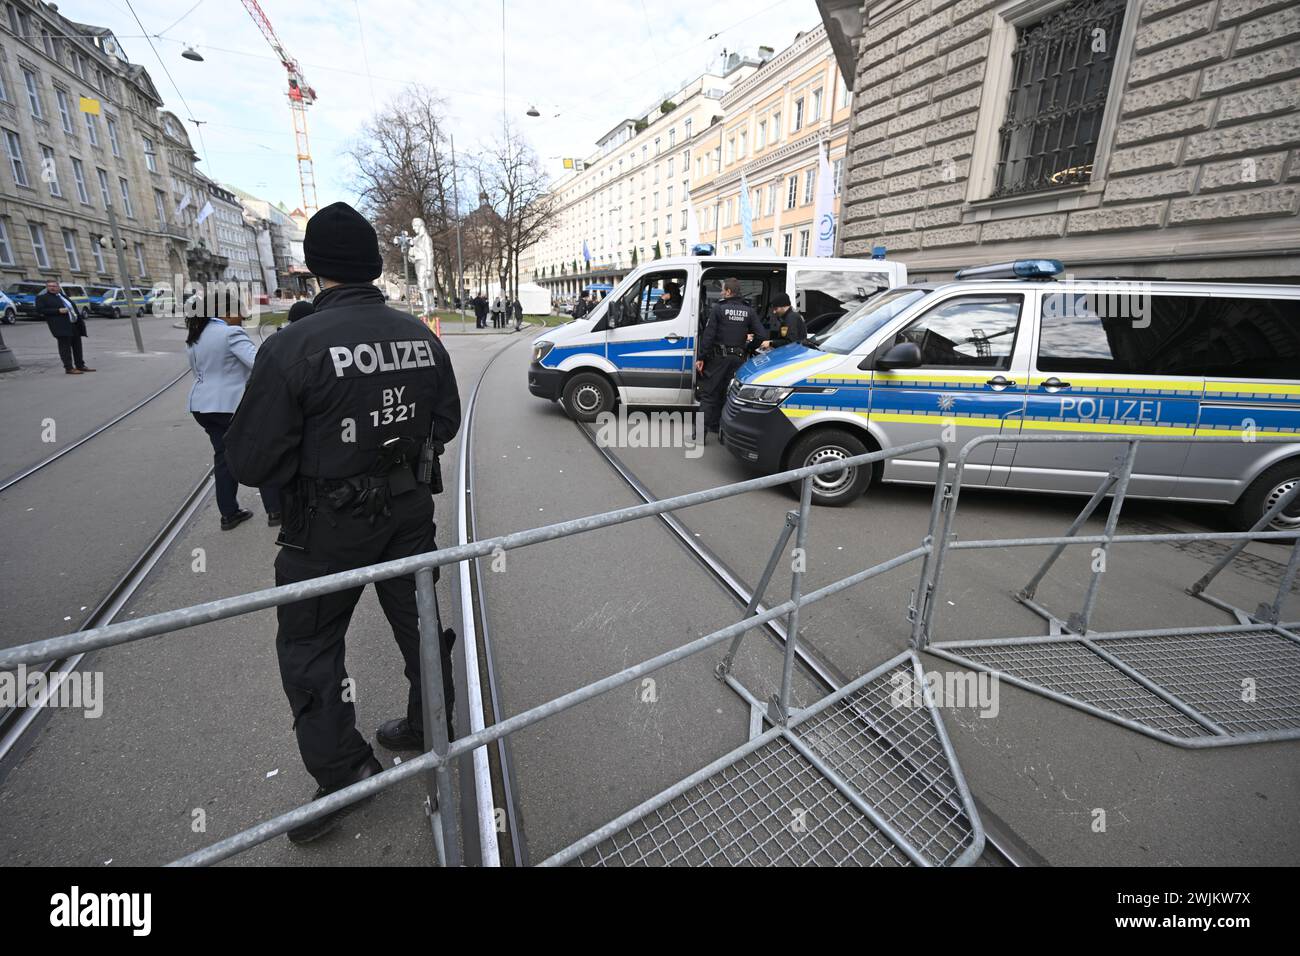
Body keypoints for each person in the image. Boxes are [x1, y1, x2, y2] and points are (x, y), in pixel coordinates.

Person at [224, 202, 462, 844]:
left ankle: (343, 770)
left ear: (316, 270)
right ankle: (432, 723)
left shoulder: (291, 345)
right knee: (416, 622)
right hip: (408, 510)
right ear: (374, 265)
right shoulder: (419, 333)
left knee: (311, 647)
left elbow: (251, 460)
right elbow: (446, 422)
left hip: (325, 529)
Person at [186, 300, 282, 530]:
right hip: (229, 405)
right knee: (260, 452)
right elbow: (259, 363)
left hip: (201, 406)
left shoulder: (196, 335)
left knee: (223, 456)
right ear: (226, 313)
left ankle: (228, 513)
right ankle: (275, 510)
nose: (244, 316)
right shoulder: (230, 333)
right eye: (240, 311)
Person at [696, 277, 765, 438]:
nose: (721, 292)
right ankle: (716, 428)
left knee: (708, 395)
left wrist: (701, 357)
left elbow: (708, 336)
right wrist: (748, 348)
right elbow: (761, 335)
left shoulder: (719, 309)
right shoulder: (749, 310)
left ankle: (699, 434)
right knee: (727, 395)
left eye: (722, 289)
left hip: (719, 358)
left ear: (728, 292)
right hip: (738, 360)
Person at [36, 279, 94, 375]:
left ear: (58, 287)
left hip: (73, 324)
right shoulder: (42, 298)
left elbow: (72, 308)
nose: (52, 288)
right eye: (50, 286)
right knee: (65, 348)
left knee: (77, 346)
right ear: (47, 287)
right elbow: (40, 310)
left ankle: (80, 365)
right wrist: (58, 311)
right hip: (61, 326)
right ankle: (69, 368)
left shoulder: (63, 296)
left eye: (54, 286)